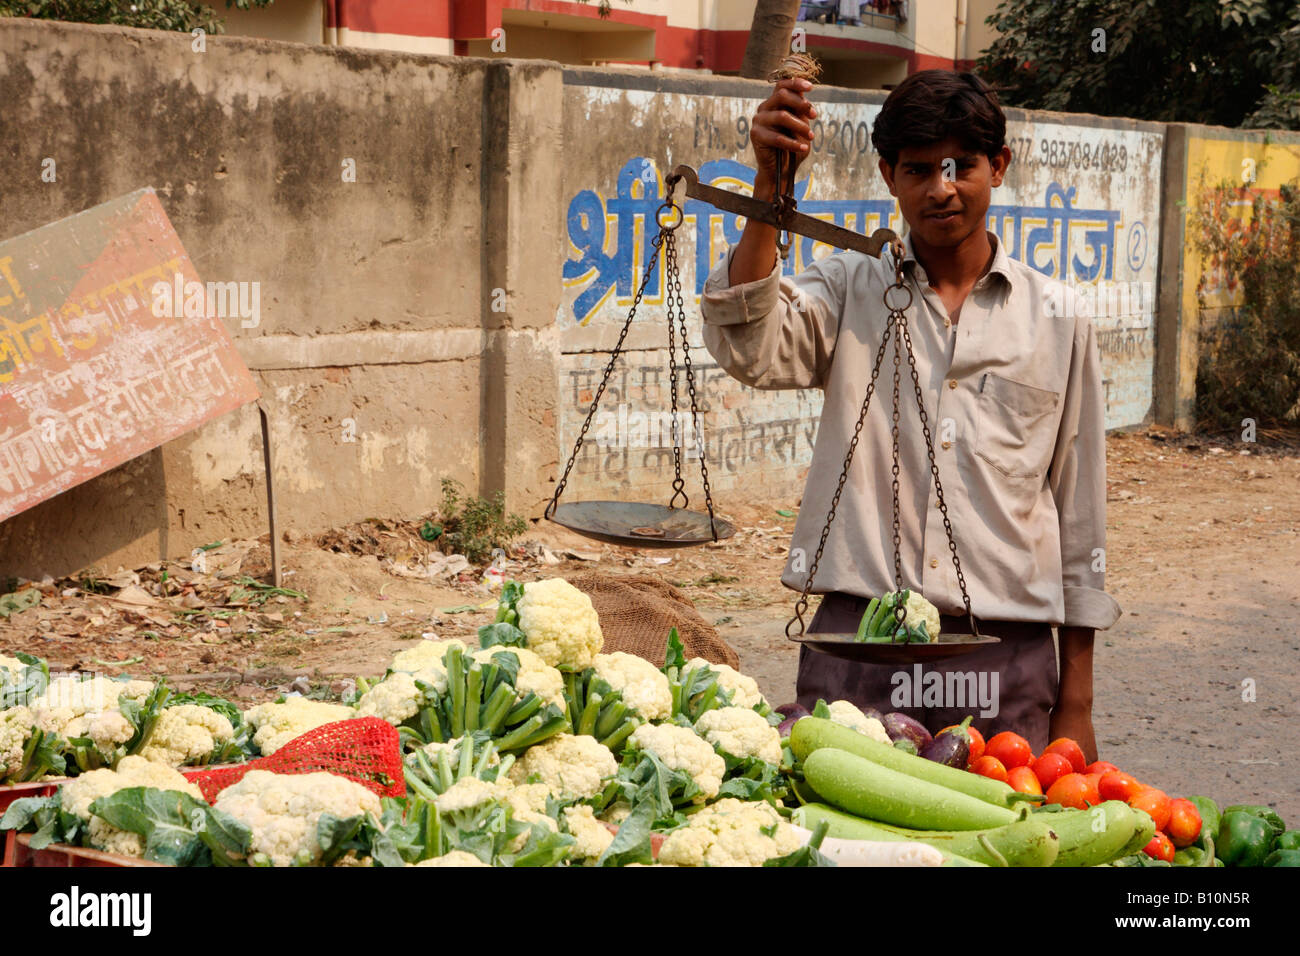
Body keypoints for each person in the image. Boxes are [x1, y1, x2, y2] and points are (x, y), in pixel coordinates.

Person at [698, 70, 1121, 757]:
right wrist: (769, 192)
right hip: (856, 650)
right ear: (890, 176)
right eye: (920, 169)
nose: (942, 188)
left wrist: (1076, 702)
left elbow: (1079, 517)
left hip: (1003, 658)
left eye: (961, 167)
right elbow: (750, 345)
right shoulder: (849, 290)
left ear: (999, 167)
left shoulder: (1057, 318)